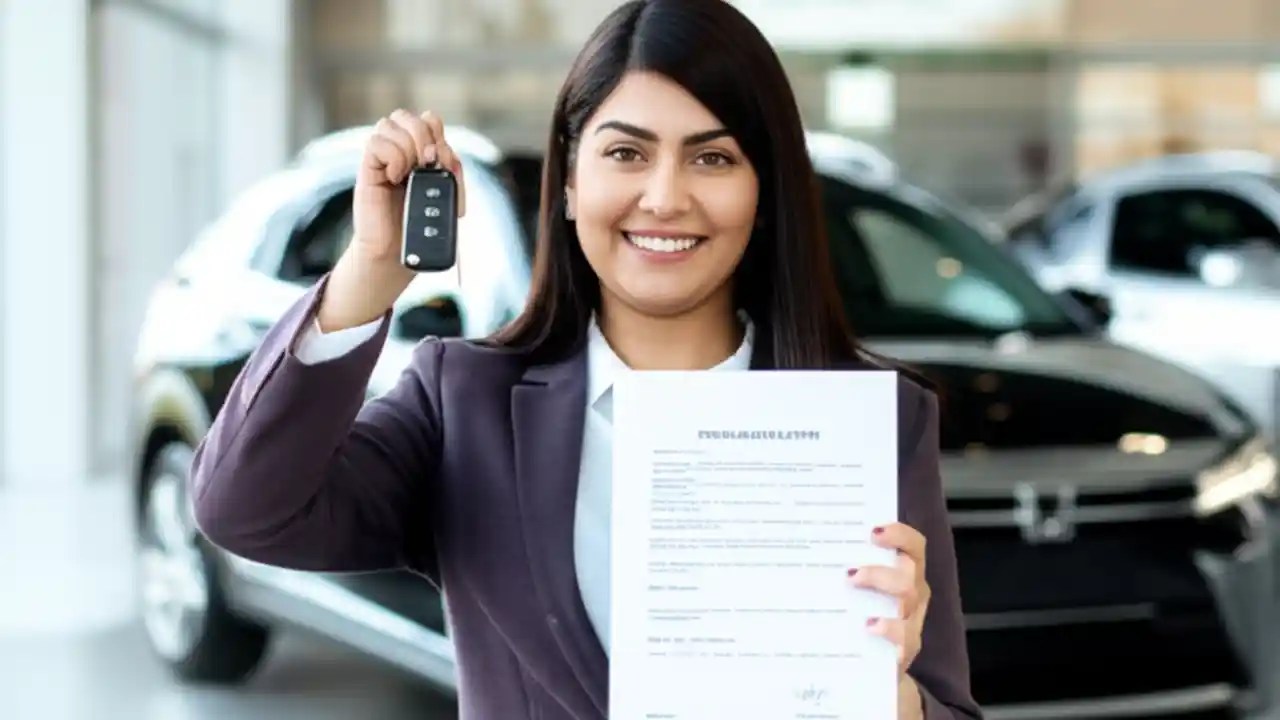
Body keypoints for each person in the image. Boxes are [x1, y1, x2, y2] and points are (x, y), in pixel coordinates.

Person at [189, 1, 982, 718]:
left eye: (712, 158)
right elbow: (245, 508)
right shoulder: (464, 405)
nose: (665, 197)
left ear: (765, 193)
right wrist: (368, 272)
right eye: (627, 154)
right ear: (569, 180)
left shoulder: (871, 422)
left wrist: (894, 700)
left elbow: (947, 712)